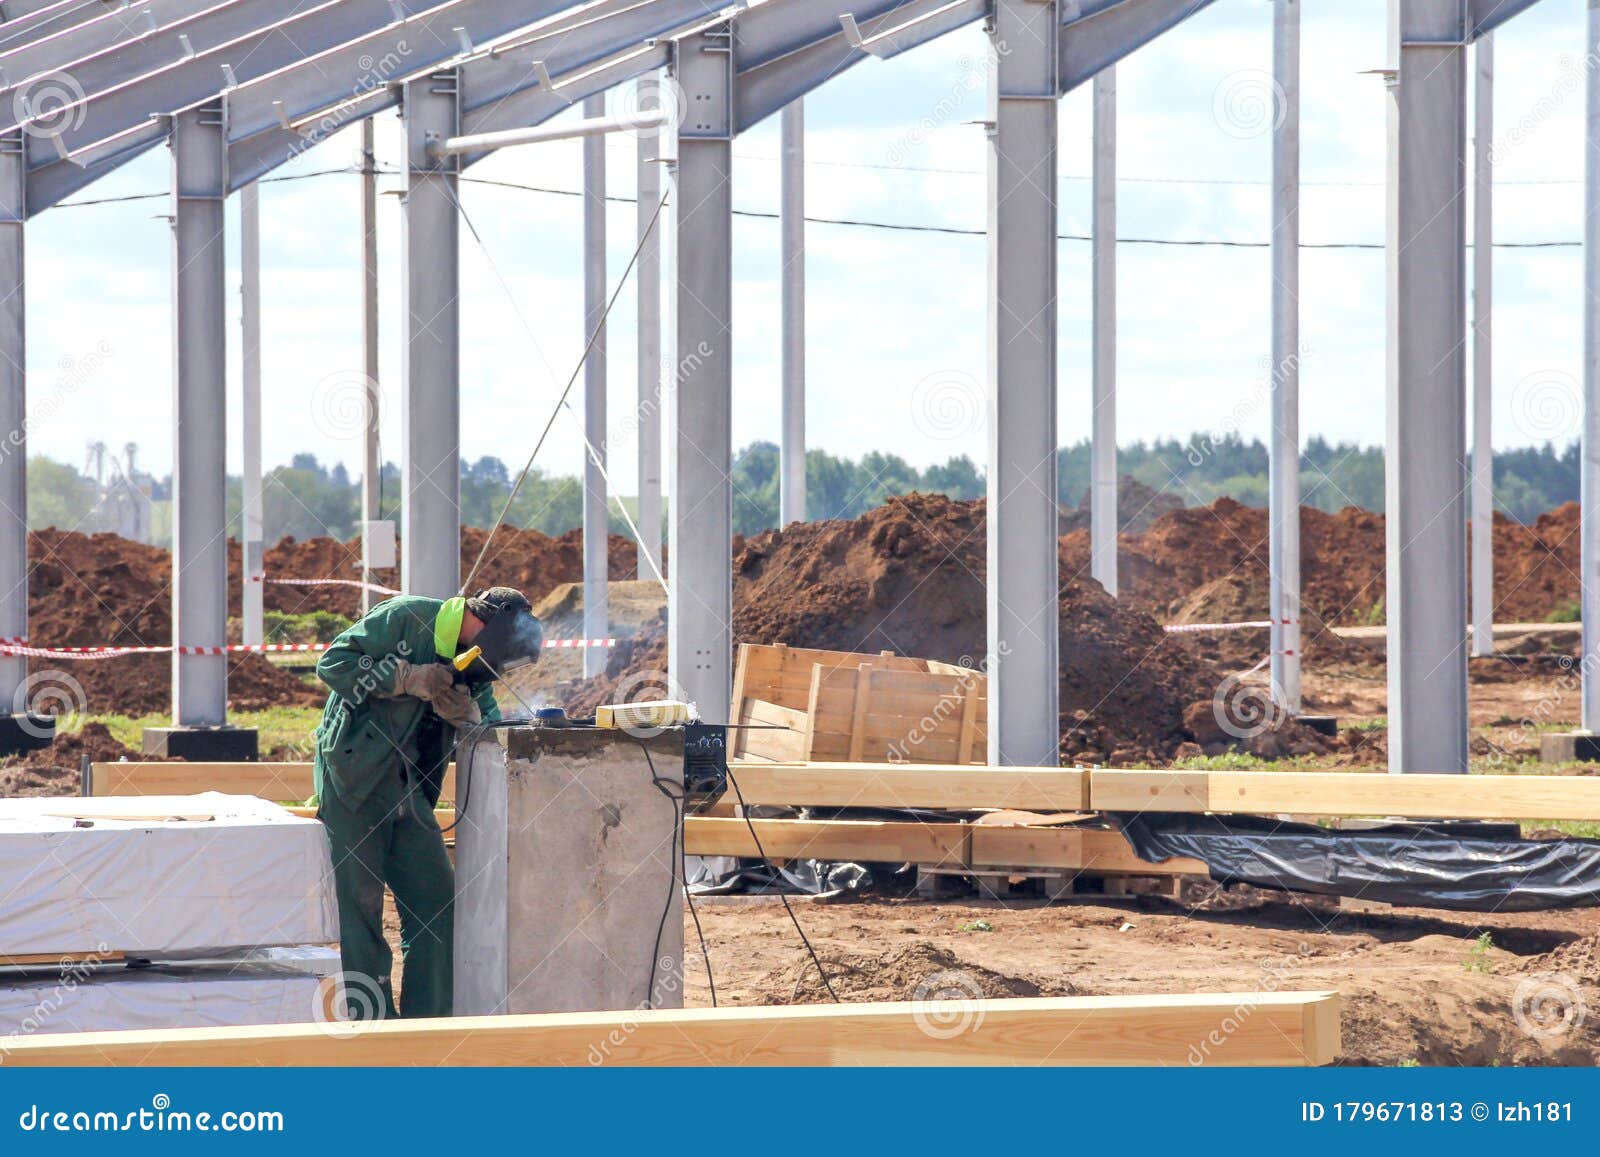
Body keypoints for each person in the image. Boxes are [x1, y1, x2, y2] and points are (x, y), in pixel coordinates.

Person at [312, 586, 535, 1019]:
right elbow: (332, 664)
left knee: (437, 905)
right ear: (489, 625)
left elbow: (488, 724)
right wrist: (404, 678)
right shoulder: (406, 617)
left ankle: (427, 1027)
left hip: (408, 790)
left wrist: (467, 718)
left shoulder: (475, 663)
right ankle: (370, 1027)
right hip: (353, 782)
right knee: (362, 909)